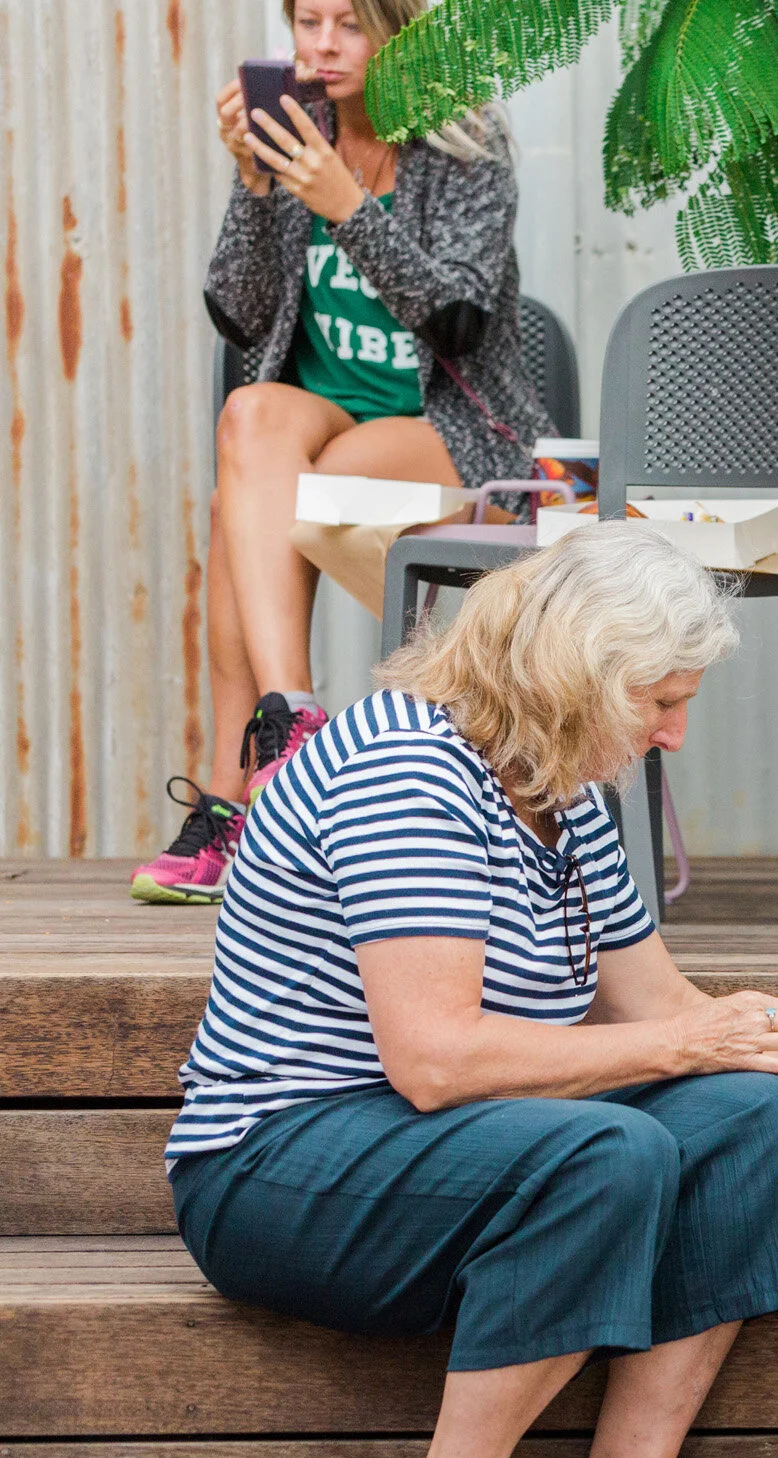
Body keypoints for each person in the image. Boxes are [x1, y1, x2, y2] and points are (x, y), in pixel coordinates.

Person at [167, 525, 778, 1458]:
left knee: (750, 1114)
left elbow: (679, 1017)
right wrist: (678, 1050)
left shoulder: (558, 790)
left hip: (439, 1148)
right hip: (279, 1164)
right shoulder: (408, 769)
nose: (675, 732)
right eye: (659, 701)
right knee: (615, 1146)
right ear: (571, 675)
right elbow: (437, 1058)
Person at [133, 0, 548, 905]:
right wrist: (252, 183)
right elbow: (238, 317)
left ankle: (232, 803)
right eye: (307, 20)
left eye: (349, 24)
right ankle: (292, 721)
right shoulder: (294, 129)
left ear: (398, 30)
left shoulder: (467, 137)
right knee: (247, 416)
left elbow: (459, 318)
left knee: (258, 505)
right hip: (320, 422)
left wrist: (345, 206)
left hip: (453, 431)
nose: (322, 46)